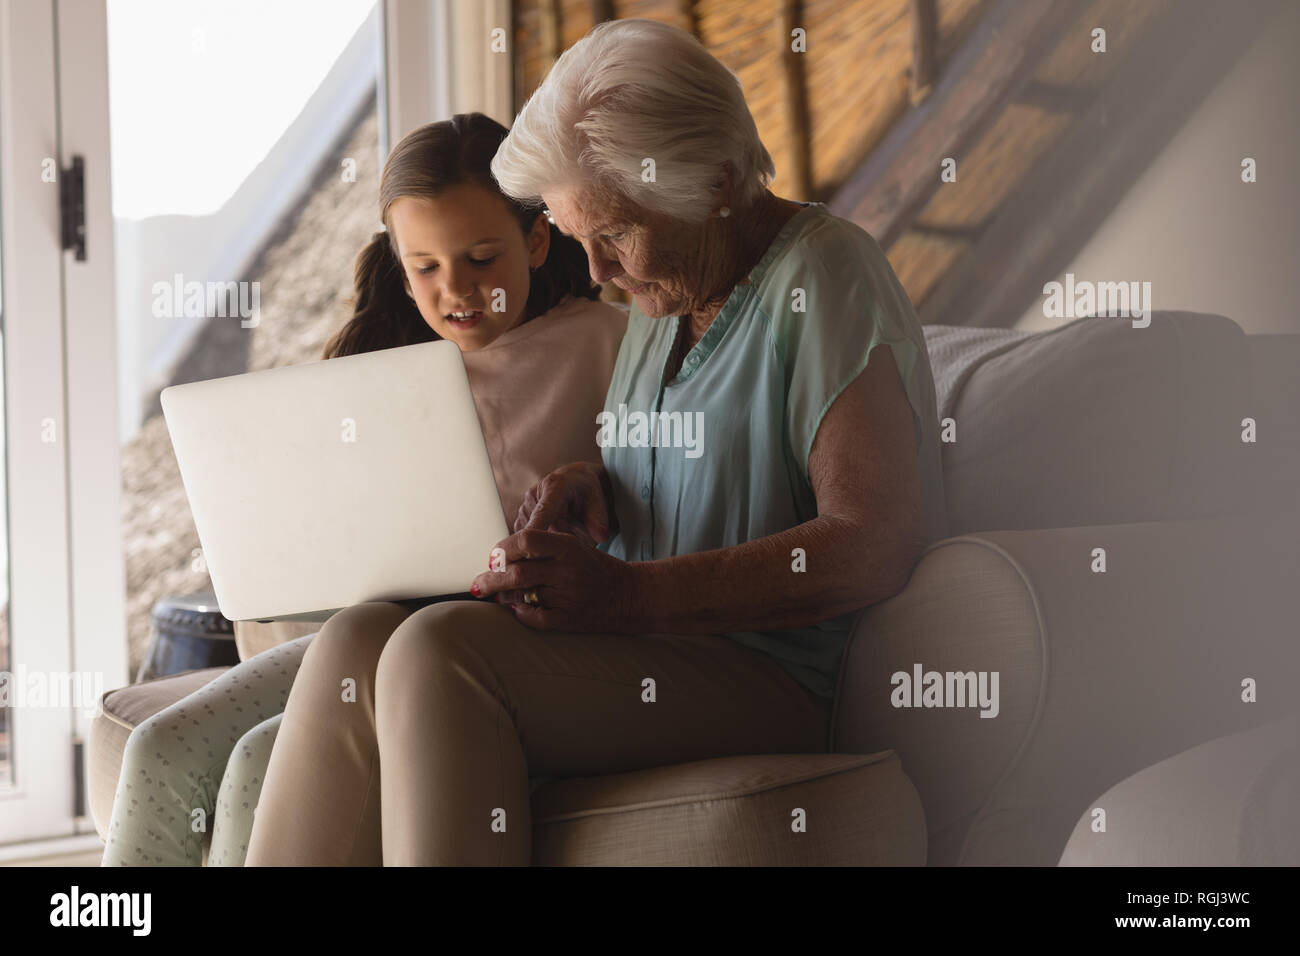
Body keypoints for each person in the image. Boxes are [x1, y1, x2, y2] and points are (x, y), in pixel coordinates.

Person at [246, 18, 947, 866]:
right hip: (651, 645)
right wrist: (594, 485)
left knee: (441, 652)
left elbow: (871, 542)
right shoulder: (662, 298)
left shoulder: (824, 276)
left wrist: (629, 598)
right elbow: (691, 469)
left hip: (771, 675)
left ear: (719, 181)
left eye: (613, 235)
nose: (599, 271)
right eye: (582, 240)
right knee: (361, 635)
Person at [101, 113, 627, 866]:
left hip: (478, 649)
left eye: (482, 257)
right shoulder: (382, 373)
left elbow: (652, 498)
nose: (458, 291)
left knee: (257, 767)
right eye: (426, 268)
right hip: (359, 635)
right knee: (162, 750)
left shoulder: (605, 343)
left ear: (537, 241)